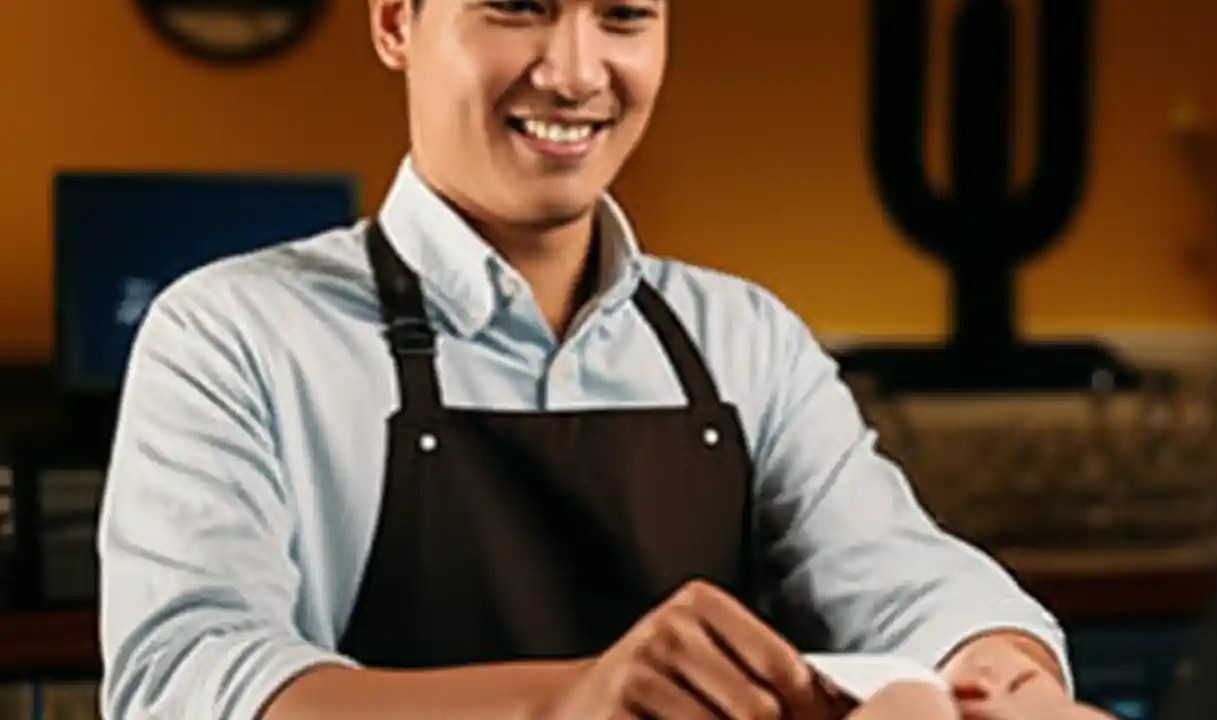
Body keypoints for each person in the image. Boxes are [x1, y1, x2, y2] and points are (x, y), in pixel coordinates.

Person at [96, 0, 1114, 718]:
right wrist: (566, 702)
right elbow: (184, 684)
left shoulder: (742, 339)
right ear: (394, 21)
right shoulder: (232, 333)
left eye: (623, 14)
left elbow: (901, 576)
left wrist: (1000, 674)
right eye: (515, 7)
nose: (577, 72)